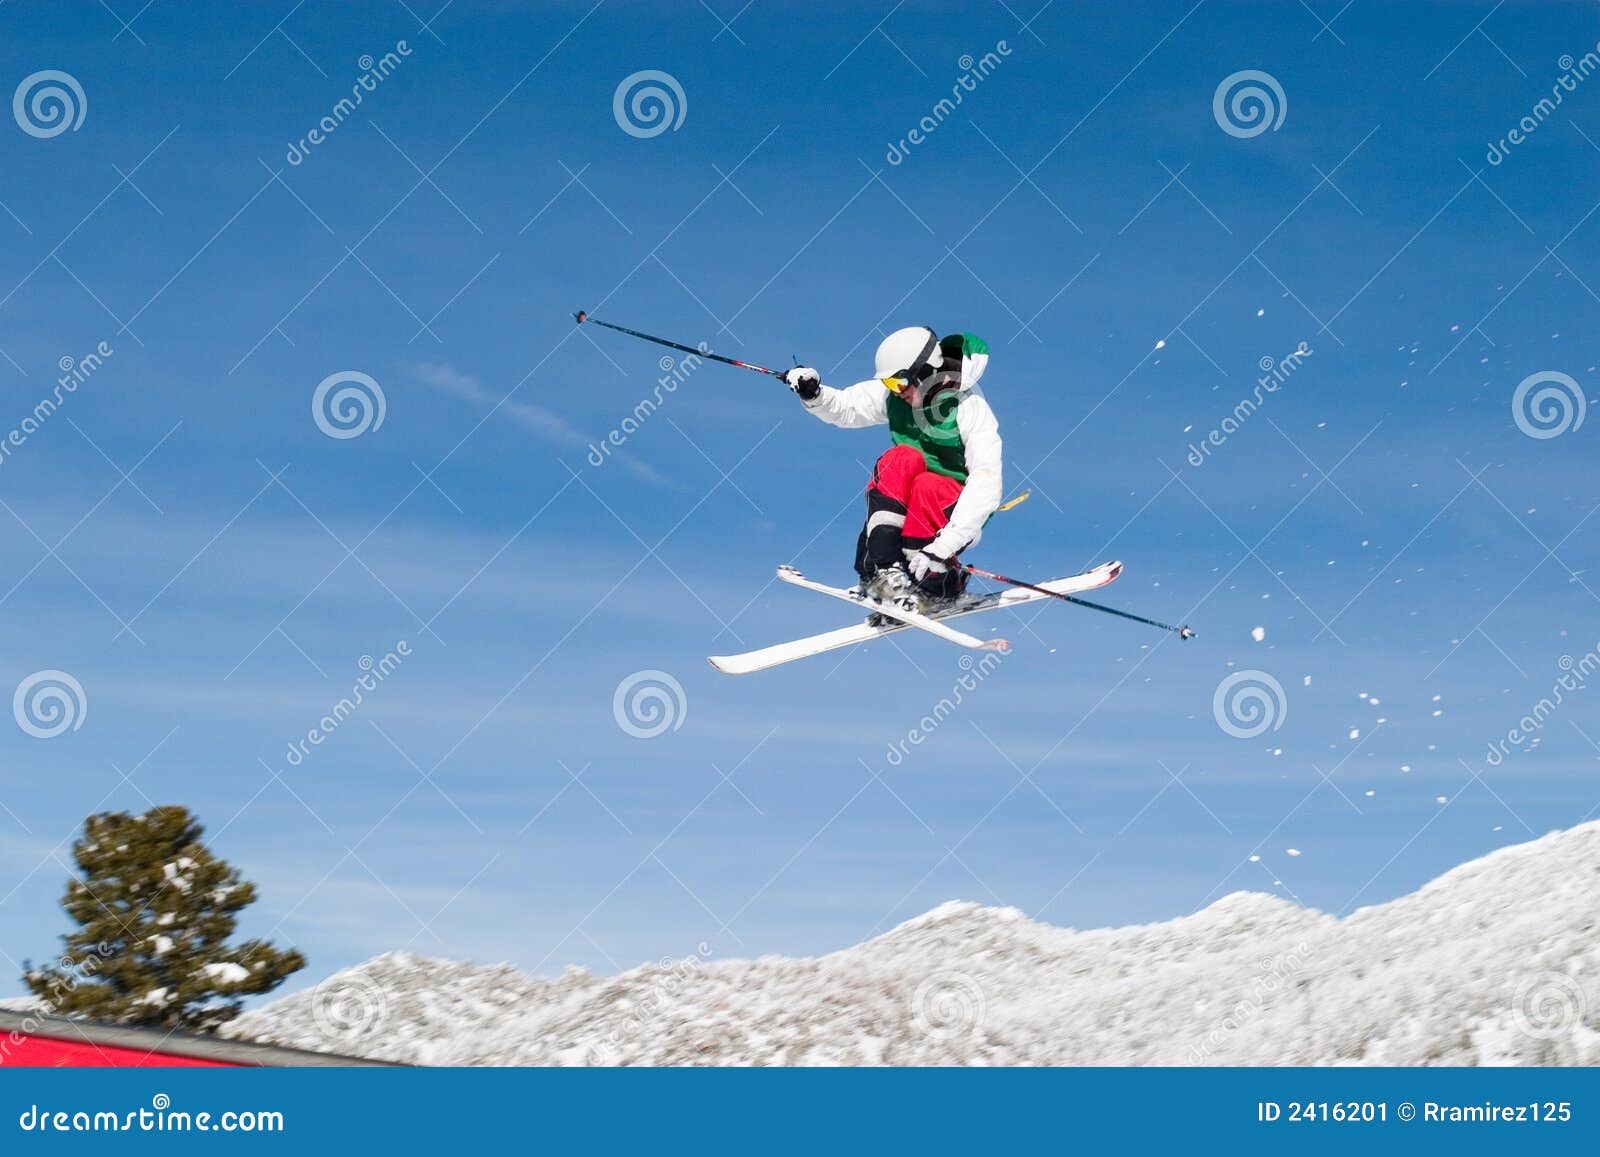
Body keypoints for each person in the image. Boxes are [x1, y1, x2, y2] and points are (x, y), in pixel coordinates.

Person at [784, 327, 1003, 620]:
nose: (897, 390)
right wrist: (815, 394)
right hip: (907, 507)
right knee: (900, 459)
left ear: (926, 373)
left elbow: (986, 482)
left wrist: (946, 545)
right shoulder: (896, 397)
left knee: (927, 485)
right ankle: (883, 572)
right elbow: (848, 406)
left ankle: (935, 587)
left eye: (900, 381)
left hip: (954, 511)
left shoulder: (969, 408)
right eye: (889, 383)